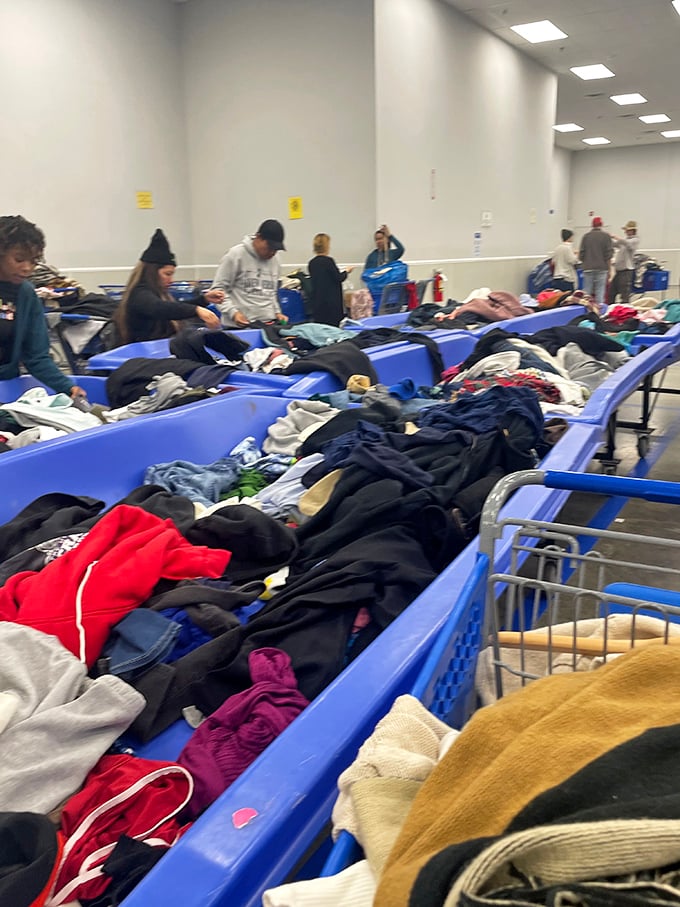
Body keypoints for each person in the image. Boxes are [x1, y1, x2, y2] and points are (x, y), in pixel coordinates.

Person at [0, 214, 86, 398]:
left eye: (33, 261)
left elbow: (36, 357)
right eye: (19, 259)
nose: (27, 268)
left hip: (6, 389)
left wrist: (67, 387)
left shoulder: (26, 294)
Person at [114, 229, 222, 344]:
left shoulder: (154, 293)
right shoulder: (139, 294)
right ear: (152, 272)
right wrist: (197, 310)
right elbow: (160, 308)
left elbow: (174, 307)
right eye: (167, 274)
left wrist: (204, 300)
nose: (171, 280)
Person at [211, 219, 288, 327]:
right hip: (239, 327)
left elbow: (271, 293)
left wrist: (277, 312)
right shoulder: (235, 255)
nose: (272, 253)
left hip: (268, 326)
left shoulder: (276, 260)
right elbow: (217, 291)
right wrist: (234, 313)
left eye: (275, 250)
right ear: (258, 237)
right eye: (269, 248)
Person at [307, 233, 354, 326]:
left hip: (318, 303)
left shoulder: (311, 263)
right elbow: (339, 278)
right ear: (327, 246)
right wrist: (347, 271)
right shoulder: (329, 261)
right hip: (331, 304)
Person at [579, 216, 612, 311]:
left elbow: (581, 254)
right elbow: (608, 255)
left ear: (592, 225)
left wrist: (586, 262)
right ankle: (599, 312)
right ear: (601, 225)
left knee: (587, 291)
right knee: (600, 291)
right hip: (602, 268)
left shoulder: (586, 236)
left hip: (588, 268)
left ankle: (587, 311)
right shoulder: (606, 236)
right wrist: (609, 270)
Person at [608, 220, 640, 306]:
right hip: (619, 270)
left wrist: (615, 237)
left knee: (624, 293)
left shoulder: (635, 240)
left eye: (628, 230)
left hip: (626, 270)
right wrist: (607, 238)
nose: (626, 232)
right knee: (611, 292)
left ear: (633, 231)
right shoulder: (625, 240)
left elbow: (627, 244)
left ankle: (624, 311)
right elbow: (615, 244)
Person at [551, 229, 579, 293]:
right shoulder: (568, 248)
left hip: (557, 278)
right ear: (570, 237)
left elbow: (553, 262)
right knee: (568, 300)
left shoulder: (557, 248)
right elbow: (573, 261)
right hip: (566, 278)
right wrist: (577, 255)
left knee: (559, 300)